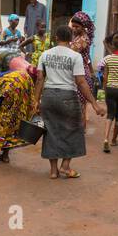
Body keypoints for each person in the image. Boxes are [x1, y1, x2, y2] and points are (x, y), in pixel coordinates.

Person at [33, 24, 104, 178]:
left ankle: (53, 171)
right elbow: (81, 82)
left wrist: (36, 100)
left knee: (51, 131)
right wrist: (94, 103)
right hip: (68, 97)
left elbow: (39, 79)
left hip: (48, 96)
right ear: (71, 38)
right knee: (73, 130)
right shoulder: (75, 56)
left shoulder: (45, 54)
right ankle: (65, 166)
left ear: (56, 37)